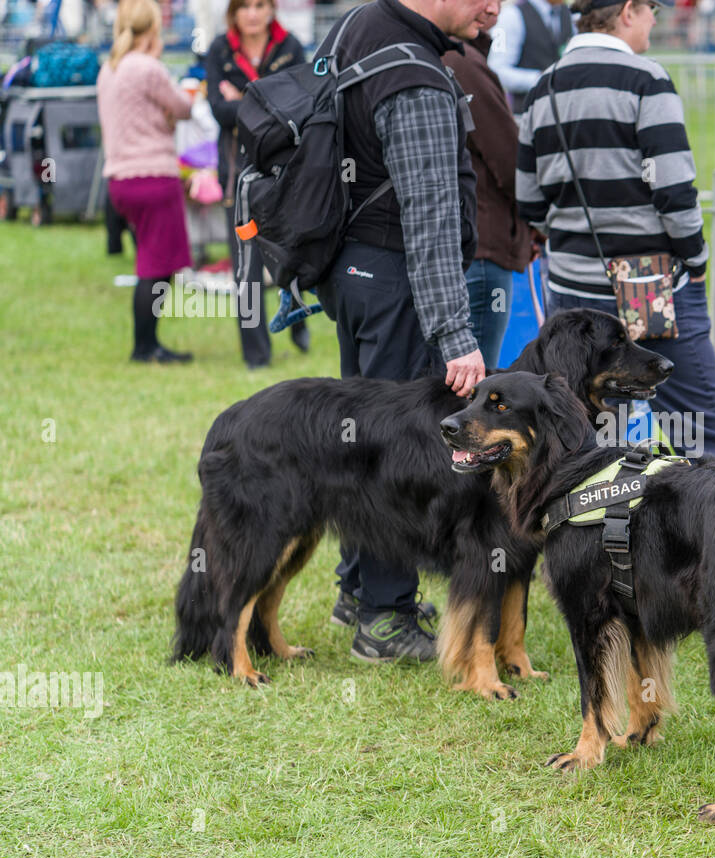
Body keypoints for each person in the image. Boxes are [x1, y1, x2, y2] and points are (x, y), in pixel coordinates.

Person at [315, 0, 492, 663]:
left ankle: (359, 587)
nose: (494, 9)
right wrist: (455, 333)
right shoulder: (413, 73)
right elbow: (429, 216)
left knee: (360, 437)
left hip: (353, 270)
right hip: (394, 280)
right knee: (396, 450)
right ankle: (385, 620)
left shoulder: (357, 25)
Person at [516, 0, 715, 467]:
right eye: (650, 8)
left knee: (591, 434)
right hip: (649, 283)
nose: (655, 19)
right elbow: (674, 189)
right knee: (700, 429)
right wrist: (696, 257)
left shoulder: (544, 86)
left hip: (572, 289)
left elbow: (529, 197)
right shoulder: (647, 79)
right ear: (626, 11)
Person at [205, 0, 309, 368]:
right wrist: (268, 102)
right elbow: (218, 110)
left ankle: (298, 320)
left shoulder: (290, 47)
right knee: (246, 270)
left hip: (285, 172)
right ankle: (256, 355)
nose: (252, 13)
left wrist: (244, 100)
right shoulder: (219, 49)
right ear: (233, 12)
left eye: (260, 4)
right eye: (244, 6)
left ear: (271, 9)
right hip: (237, 175)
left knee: (295, 256)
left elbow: (301, 107)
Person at [97, 0, 195, 364]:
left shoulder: (109, 68)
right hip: (153, 176)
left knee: (149, 261)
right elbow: (183, 107)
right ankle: (145, 346)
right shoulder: (148, 67)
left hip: (120, 179)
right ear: (154, 27)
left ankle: (147, 343)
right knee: (155, 267)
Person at [443, 4, 534, 366]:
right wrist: (535, 220)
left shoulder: (456, 56)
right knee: (475, 384)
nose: (493, 9)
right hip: (481, 246)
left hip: (467, 242)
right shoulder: (462, 61)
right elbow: (511, 162)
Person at [488, 0, 574, 112]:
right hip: (526, 112)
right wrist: (542, 78)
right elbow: (497, 71)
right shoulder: (511, 15)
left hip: (564, 110)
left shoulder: (569, 13)